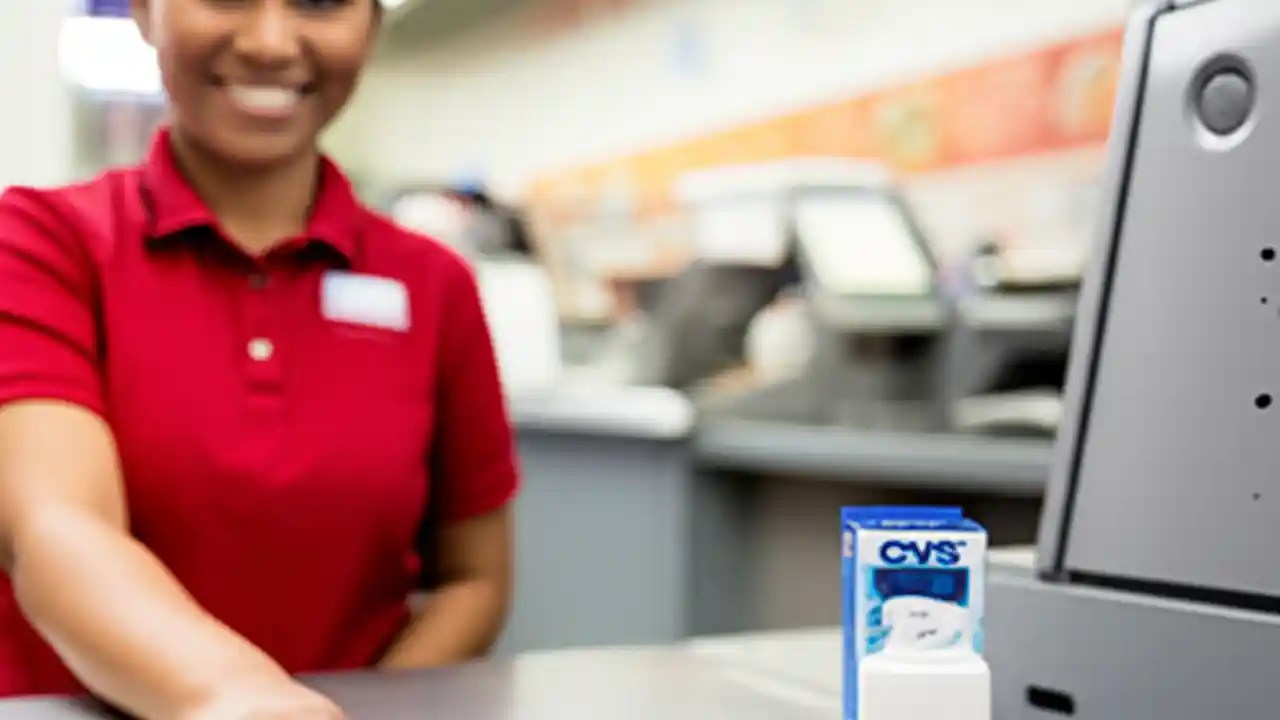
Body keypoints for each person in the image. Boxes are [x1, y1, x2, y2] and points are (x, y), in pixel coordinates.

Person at [0, 1, 520, 718]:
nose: (271, 41)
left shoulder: (435, 287)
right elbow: (56, 527)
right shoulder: (40, 242)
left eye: (320, 0)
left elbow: (474, 582)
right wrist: (240, 701)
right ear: (147, 13)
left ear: (371, 24)